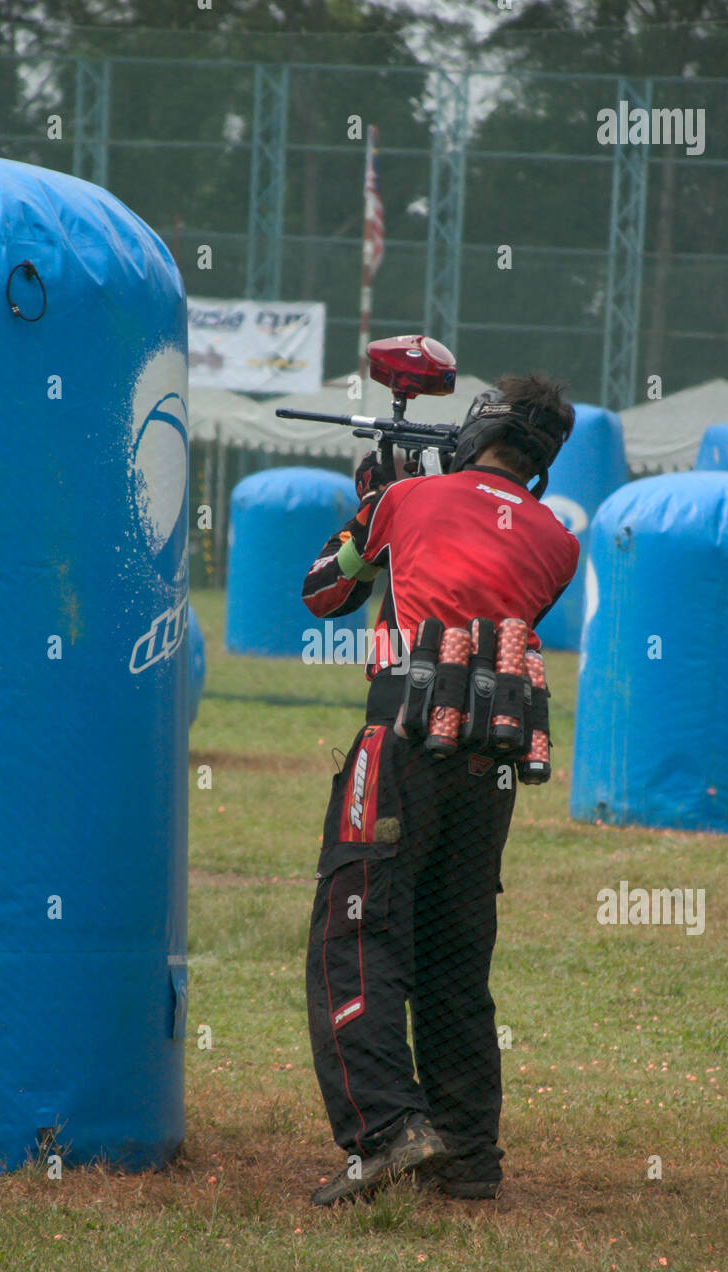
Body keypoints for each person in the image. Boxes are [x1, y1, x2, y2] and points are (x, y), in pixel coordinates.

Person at [301, 372, 579, 1205]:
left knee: (357, 934)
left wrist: (370, 504)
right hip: (490, 764)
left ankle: (384, 1132)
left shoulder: (406, 504)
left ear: (478, 427)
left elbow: (325, 590)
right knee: (456, 954)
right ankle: (467, 1156)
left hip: (401, 741)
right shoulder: (557, 542)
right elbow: (487, 570)